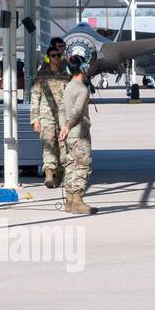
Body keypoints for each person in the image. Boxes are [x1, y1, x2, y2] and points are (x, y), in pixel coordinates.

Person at [29, 37, 70, 189]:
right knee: (48, 143)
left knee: (62, 145)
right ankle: (48, 173)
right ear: (49, 56)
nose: (57, 57)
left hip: (62, 115)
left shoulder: (65, 73)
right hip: (46, 114)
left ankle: (60, 173)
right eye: (53, 55)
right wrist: (35, 119)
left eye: (58, 55)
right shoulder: (42, 74)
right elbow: (35, 96)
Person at [58, 54, 96, 216]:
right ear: (82, 69)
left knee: (71, 165)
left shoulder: (68, 87)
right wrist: (68, 125)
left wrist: (63, 127)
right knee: (82, 165)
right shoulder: (81, 89)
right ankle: (78, 201)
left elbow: (62, 109)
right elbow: (76, 111)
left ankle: (69, 201)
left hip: (68, 133)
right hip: (79, 131)